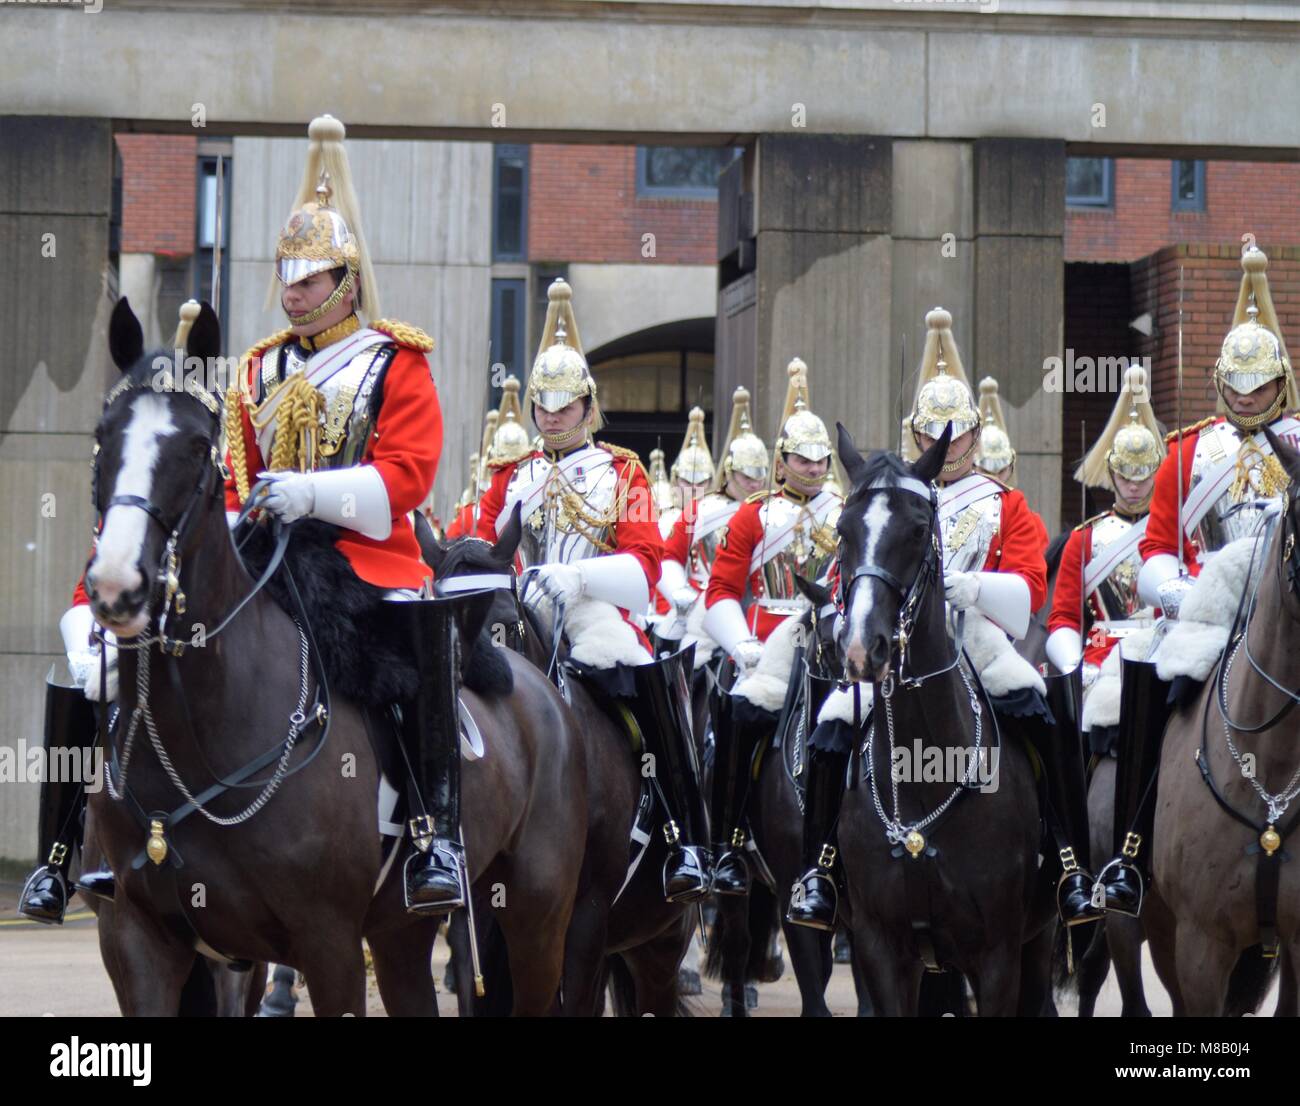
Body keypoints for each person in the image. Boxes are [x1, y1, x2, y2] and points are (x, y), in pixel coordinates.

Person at [220, 114, 463, 915]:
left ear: (346, 283)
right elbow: (235, 478)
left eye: (310, 278)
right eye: (286, 275)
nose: (292, 290)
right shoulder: (256, 367)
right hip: (267, 554)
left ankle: (433, 833)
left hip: (370, 555)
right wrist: (239, 520)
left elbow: (407, 478)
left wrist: (312, 494)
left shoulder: (395, 360)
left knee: (411, 656)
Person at [788, 307, 1092, 931]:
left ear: (976, 438)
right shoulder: (888, 495)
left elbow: (1031, 594)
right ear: (915, 438)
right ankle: (819, 869)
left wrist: (968, 586)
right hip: (898, 642)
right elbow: (851, 575)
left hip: (977, 638)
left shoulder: (1006, 504)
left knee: (1039, 707)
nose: (944, 450)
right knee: (831, 725)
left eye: (955, 439)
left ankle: (1067, 862)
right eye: (931, 438)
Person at [474, 278, 711, 902]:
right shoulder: (510, 479)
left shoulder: (623, 470)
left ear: (587, 406)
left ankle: (683, 833)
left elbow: (646, 570)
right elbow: (479, 548)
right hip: (520, 609)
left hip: (593, 610)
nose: (551, 417)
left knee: (646, 674)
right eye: (542, 406)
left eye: (564, 405)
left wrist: (576, 577)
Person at [1113, 245, 1300, 918]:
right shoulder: (1186, 452)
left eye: (1260, 385)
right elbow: (1156, 549)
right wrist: (1183, 594)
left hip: (1293, 613)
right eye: (1236, 385)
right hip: (1207, 616)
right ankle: (1130, 852)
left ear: (1280, 381)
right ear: (1220, 381)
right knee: (1142, 690)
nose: (1247, 398)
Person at [703, 360, 841, 896]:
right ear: (780, 462)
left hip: (830, 642)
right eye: (801, 460)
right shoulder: (753, 516)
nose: (811, 468)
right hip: (767, 643)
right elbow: (720, 590)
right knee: (737, 718)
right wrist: (741, 645)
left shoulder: (847, 511)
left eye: (820, 460)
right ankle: (731, 845)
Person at [1046, 366, 1164, 916]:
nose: (1136, 484)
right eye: (1127, 473)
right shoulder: (1083, 539)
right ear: (1109, 473)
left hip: (1163, 647)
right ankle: (1069, 859)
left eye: (1145, 473)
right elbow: (1063, 618)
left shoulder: (1175, 534)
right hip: (1101, 662)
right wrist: (1075, 664)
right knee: (1067, 742)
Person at [655, 387, 770, 655]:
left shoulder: (771, 512)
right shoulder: (698, 510)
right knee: (666, 651)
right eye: (747, 476)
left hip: (757, 608)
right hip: (700, 605)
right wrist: (680, 594)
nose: (755, 483)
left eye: (759, 475)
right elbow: (669, 557)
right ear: (729, 472)